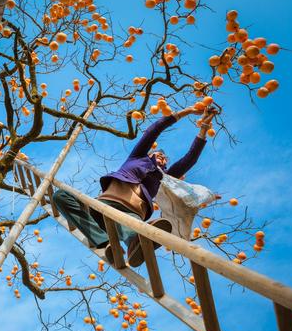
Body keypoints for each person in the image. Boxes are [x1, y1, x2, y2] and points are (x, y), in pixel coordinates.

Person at [52, 106, 217, 267]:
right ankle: (104, 241)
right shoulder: (137, 157)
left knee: (132, 232)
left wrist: (204, 128)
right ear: (150, 154)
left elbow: (190, 159)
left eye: (165, 158)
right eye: (159, 154)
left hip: (131, 213)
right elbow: (154, 130)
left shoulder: (165, 178)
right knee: (60, 196)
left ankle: (136, 245)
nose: (163, 157)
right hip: (102, 206)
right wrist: (188, 111)